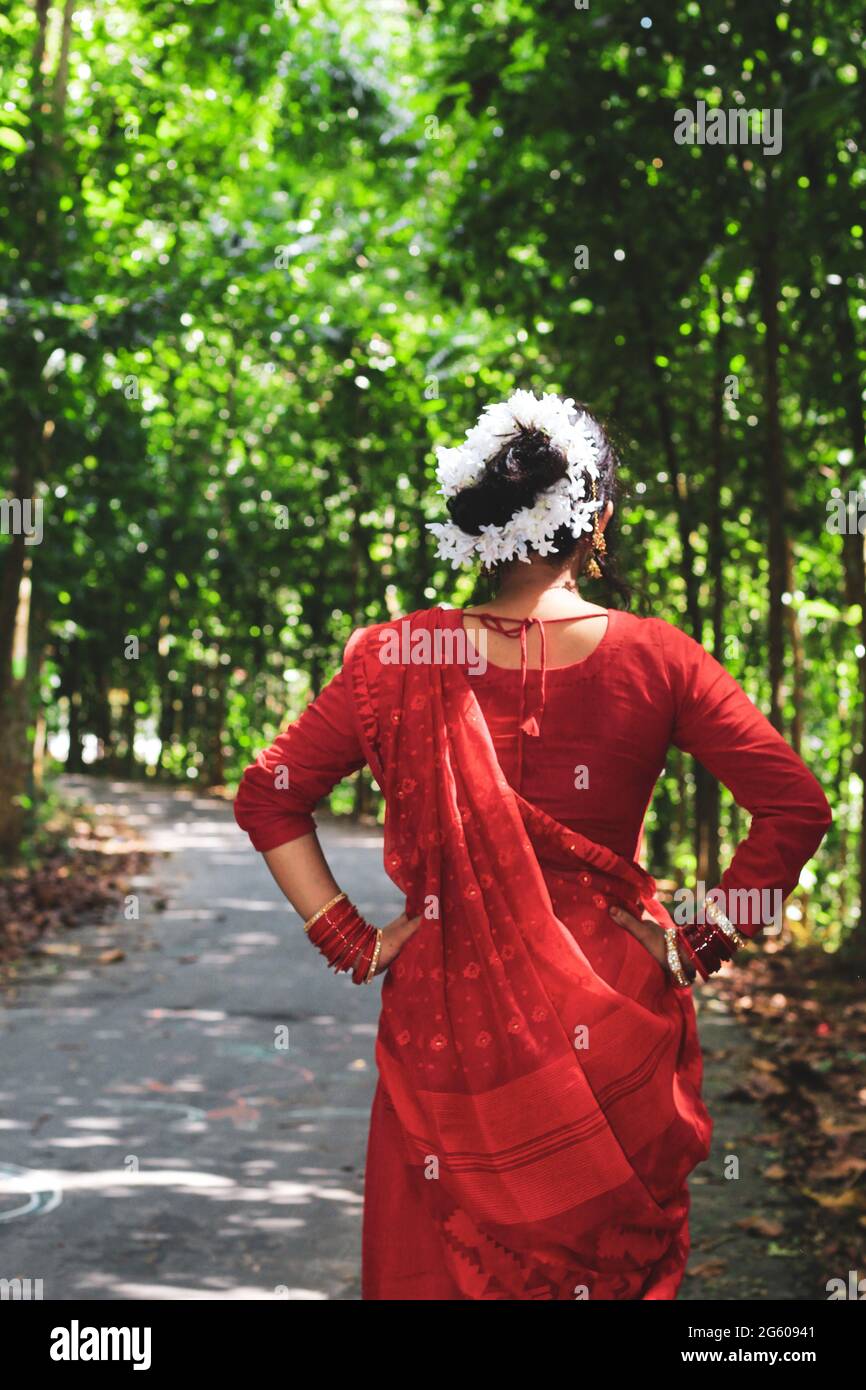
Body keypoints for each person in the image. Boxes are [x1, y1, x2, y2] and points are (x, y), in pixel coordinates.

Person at [233, 390, 832, 1300]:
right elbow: (795, 807)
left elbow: (269, 798)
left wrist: (350, 938)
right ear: (596, 521)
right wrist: (701, 938)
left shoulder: (399, 660)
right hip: (617, 1000)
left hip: (452, 1010)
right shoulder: (660, 658)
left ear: (483, 525)